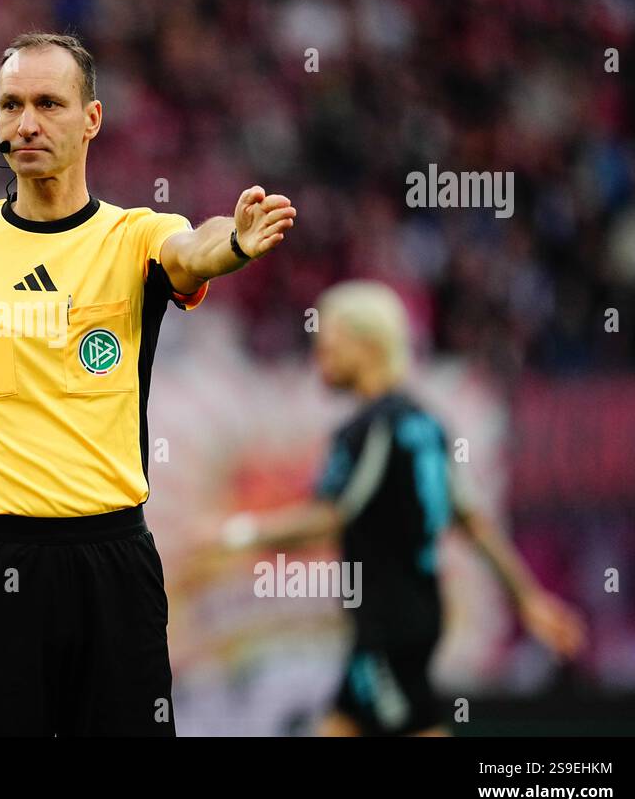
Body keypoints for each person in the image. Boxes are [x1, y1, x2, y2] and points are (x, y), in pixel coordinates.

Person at [0, 31, 298, 736]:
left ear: (91, 119)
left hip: (112, 568)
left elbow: (192, 249)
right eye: (11, 105)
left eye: (49, 103)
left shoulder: (135, 238)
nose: (26, 123)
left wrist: (232, 242)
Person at [218, 280, 587, 736]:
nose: (321, 358)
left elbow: (329, 517)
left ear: (367, 345)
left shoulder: (369, 430)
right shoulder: (424, 423)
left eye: (329, 345)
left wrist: (234, 535)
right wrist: (527, 598)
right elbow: (471, 519)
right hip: (407, 621)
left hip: (387, 631)